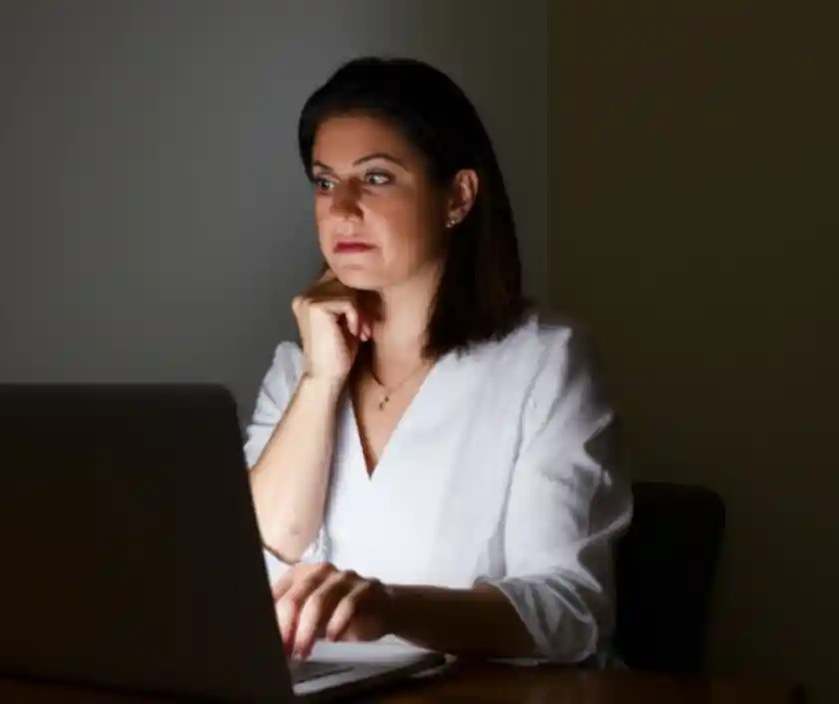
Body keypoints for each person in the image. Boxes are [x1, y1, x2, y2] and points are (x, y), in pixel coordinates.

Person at [245, 57, 631, 664]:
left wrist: (392, 609)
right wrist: (322, 382)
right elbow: (258, 560)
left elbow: (569, 609)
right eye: (325, 182)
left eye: (375, 178)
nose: (341, 209)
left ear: (457, 195)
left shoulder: (545, 361)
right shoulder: (299, 368)